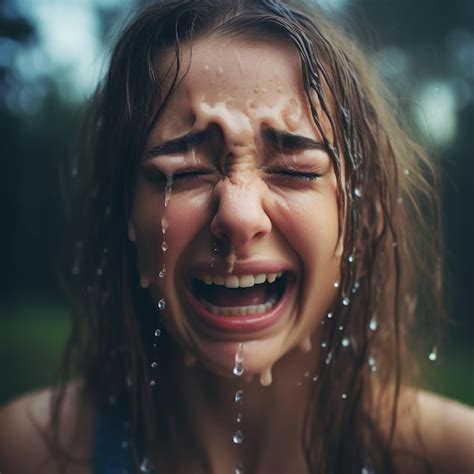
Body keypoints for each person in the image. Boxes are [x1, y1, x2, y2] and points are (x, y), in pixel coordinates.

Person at [0, 0, 473, 472]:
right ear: (126, 210)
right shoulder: (26, 451)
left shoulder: (454, 456)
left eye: (296, 170)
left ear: (361, 210)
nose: (239, 217)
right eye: (181, 172)